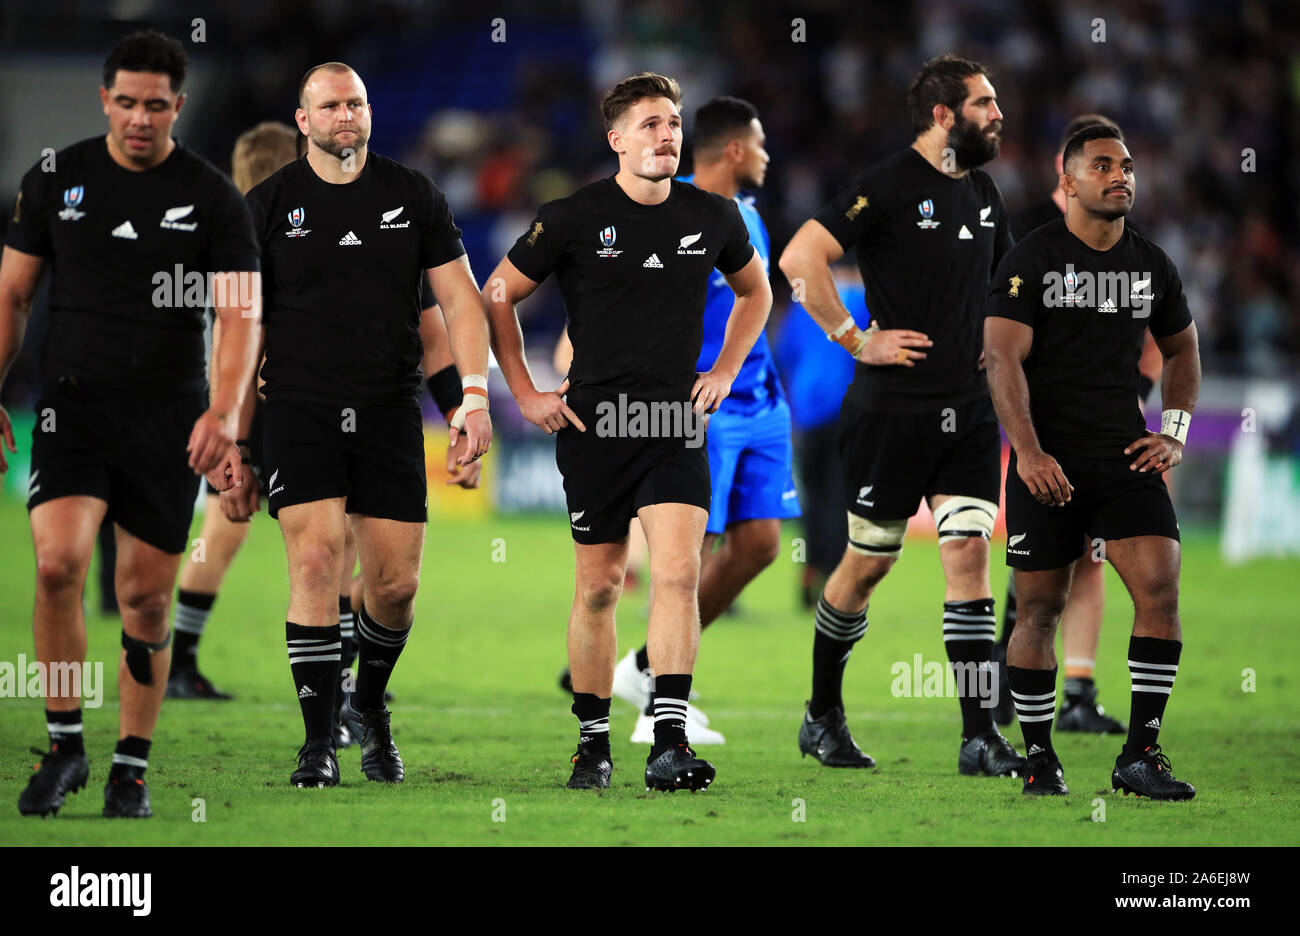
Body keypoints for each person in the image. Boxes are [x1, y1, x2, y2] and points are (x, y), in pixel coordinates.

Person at [484, 72, 771, 791]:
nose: (666, 134)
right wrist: (522, 391)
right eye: (649, 124)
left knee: (677, 576)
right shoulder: (572, 217)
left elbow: (757, 290)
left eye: (673, 122)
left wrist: (725, 371)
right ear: (616, 140)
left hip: (676, 423)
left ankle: (668, 742)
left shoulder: (714, 215)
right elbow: (497, 293)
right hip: (594, 426)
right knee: (601, 587)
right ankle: (591, 745)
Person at [2, 30, 260, 818]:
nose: (140, 117)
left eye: (156, 104)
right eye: (126, 101)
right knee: (57, 566)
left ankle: (130, 769)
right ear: (104, 99)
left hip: (169, 418)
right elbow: (11, 296)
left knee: (144, 601)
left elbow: (240, 314)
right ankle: (65, 746)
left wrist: (224, 413)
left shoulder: (214, 195)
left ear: (178, 106)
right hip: (73, 405)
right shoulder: (56, 179)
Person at [235, 62, 491, 787]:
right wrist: (230, 425)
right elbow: (239, 326)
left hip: (387, 413)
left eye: (357, 102)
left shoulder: (413, 198)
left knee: (395, 588)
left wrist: (472, 398)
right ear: (304, 120)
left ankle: (368, 706)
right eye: (330, 105)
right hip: (299, 409)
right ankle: (317, 744)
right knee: (316, 562)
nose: (345, 114)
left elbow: (461, 306)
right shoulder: (266, 206)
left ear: (370, 114)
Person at [778, 54, 1023, 777]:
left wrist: (999, 342)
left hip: (969, 412)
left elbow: (1007, 288)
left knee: (969, 551)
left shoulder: (984, 192)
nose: (998, 113)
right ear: (943, 116)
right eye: (984, 103)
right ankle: (822, 714)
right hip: (889, 412)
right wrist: (856, 339)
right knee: (868, 563)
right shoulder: (885, 186)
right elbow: (801, 257)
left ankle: (978, 735)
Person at [984, 123, 1200, 799]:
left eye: (1128, 165)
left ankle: (1140, 754)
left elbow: (1183, 349)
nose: (1121, 175)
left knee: (1161, 590)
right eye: (1103, 165)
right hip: (1047, 462)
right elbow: (1001, 357)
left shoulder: (1152, 264)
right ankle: (1041, 756)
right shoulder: (1031, 260)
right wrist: (1028, 451)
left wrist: (1177, 431)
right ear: (1068, 180)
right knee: (1037, 610)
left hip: (1125, 454)